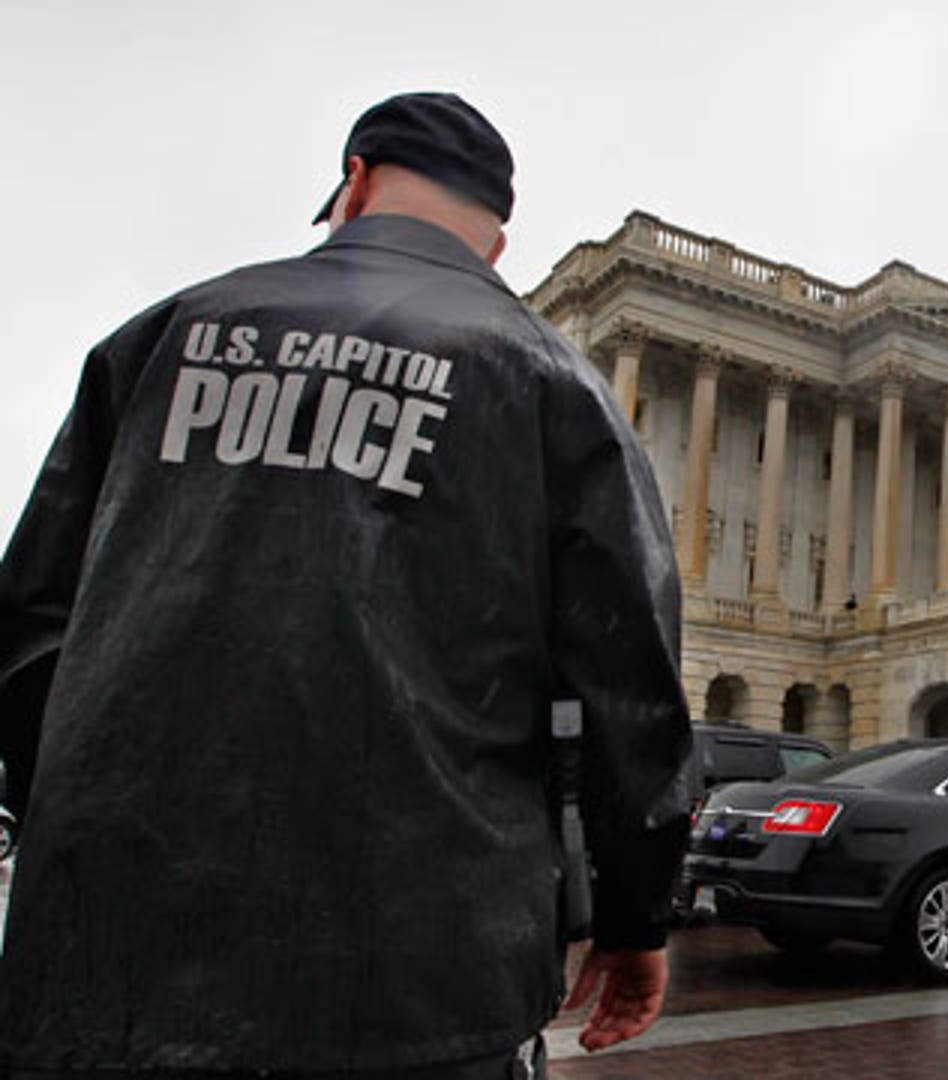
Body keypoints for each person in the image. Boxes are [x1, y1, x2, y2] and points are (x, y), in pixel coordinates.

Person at [0, 92, 691, 1075]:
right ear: (496, 246)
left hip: (105, 971)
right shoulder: (549, 380)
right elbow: (630, 686)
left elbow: (29, 634)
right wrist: (633, 914)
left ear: (355, 182)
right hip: (421, 983)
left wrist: (93, 832)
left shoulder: (159, 335)